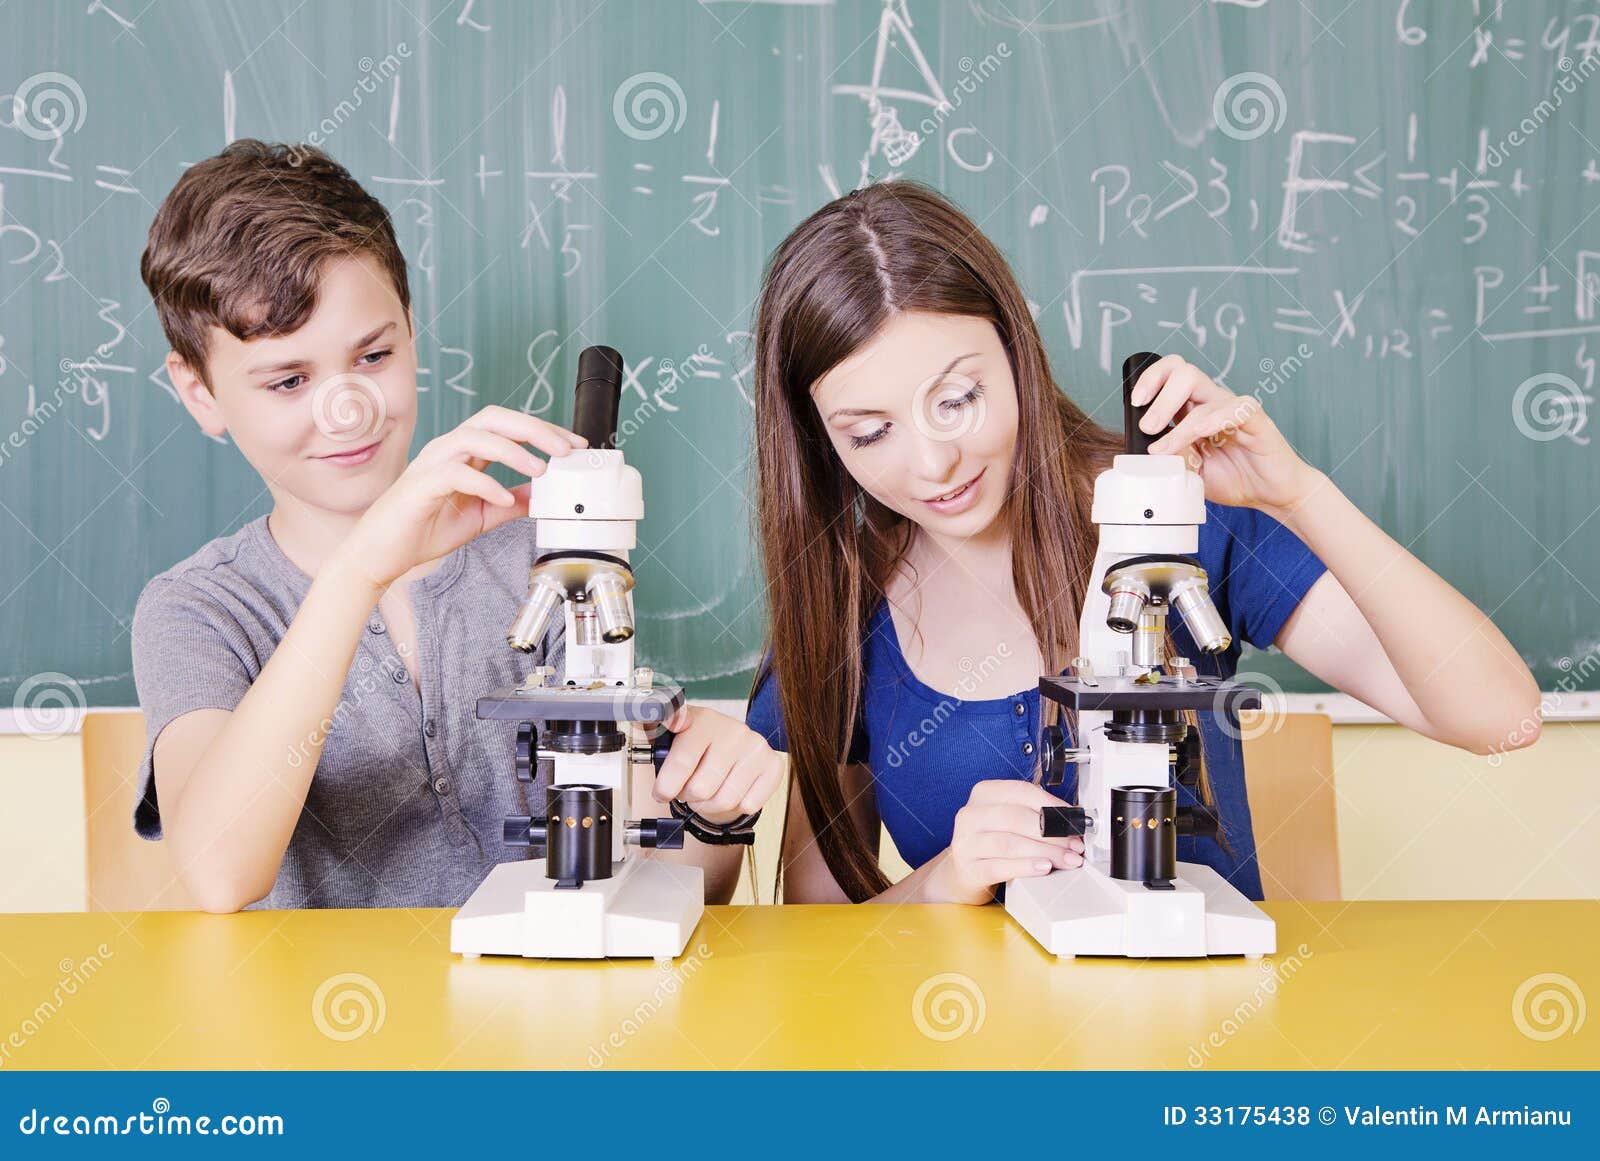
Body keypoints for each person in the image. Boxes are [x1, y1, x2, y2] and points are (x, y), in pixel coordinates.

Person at [745, 181, 1541, 905]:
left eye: (956, 399)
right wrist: (944, 882)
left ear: (1015, 348)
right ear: (821, 440)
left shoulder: (1180, 513)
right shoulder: (842, 609)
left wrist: (1298, 494)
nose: (933, 462)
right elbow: (822, 933)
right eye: (871, 432)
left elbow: (1501, 718)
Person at [131, 141, 783, 913]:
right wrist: (360, 571)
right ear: (200, 391)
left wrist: (711, 808)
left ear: (411, 331)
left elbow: (664, 879)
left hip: (541, 989)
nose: (348, 411)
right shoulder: (197, 611)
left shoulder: (543, 564)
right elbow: (220, 873)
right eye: (289, 380)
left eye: (373, 355)